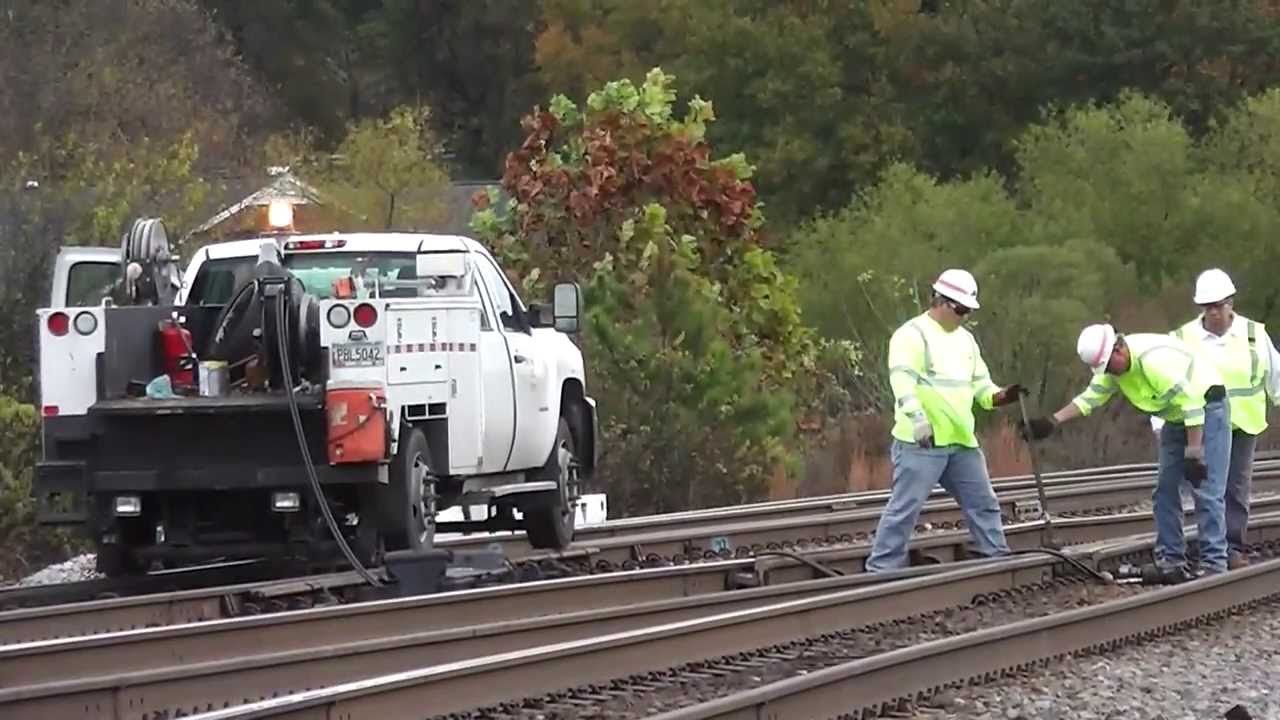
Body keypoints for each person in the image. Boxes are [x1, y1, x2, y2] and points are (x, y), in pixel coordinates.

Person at [1023, 323, 1232, 578]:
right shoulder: (1112, 369)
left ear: (1119, 349)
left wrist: (1194, 452)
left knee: (1206, 488)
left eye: (1109, 367)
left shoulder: (1154, 362)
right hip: (1176, 419)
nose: (1109, 373)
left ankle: (1214, 564)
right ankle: (1171, 559)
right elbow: (1091, 399)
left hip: (1206, 411)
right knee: (1165, 489)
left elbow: (1191, 405)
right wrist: (1052, 422)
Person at [865, 268, 1025, 573]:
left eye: (968, 311)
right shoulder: (912, 335)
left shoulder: (966, 341)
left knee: (984, 504)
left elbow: (981, 387)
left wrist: (1002, 396)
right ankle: (881, 572)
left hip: (961, 442)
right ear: (941, 301)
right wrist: (917, 418)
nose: (964, 316)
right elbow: (902, 381)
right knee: (905, 511)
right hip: (921, 443)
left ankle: (997, 561)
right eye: (961, 309)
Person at [1150, 269, 1280, 568]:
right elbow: (1164, 381)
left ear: (1230, 303)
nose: (1214, 312)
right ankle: (1210, 549)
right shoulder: (1182, 338)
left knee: (1235, 489)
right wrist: (1161, 424)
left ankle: (1231, 548)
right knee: (1206, 489)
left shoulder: (1253, 335)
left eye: (1219, 305)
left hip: (1243, 425)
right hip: (1198, 426)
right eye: (1208, 306)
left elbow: (1275, 376)